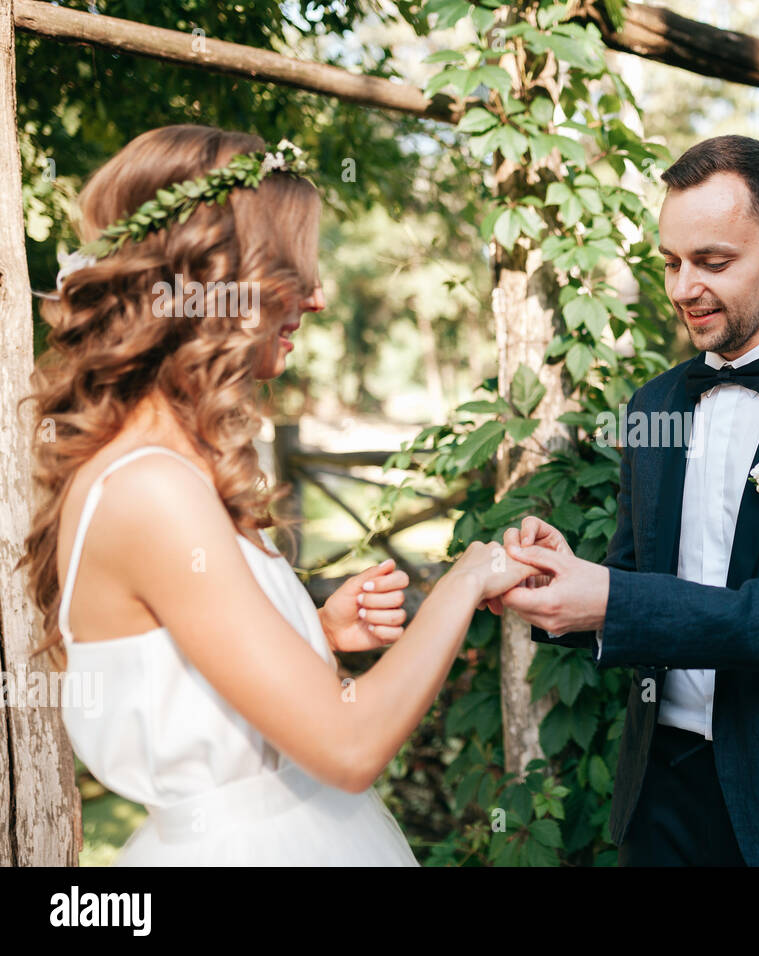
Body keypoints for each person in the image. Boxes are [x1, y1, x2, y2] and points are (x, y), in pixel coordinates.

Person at [18, 125, 536, 865]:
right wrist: (466, 580)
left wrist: (314, 634)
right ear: (217, 280)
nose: (319, 298)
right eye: (294, 272)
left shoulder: (177, 464)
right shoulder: (152, 488)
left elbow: (188, 676)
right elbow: (350, 745)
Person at [498, 134, 759, 866]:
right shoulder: (653, 404)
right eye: (670, 262)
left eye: (713, 262)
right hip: (662, 790)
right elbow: (633, 576)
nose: (682, 287)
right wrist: (563, 588)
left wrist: (614, 602)